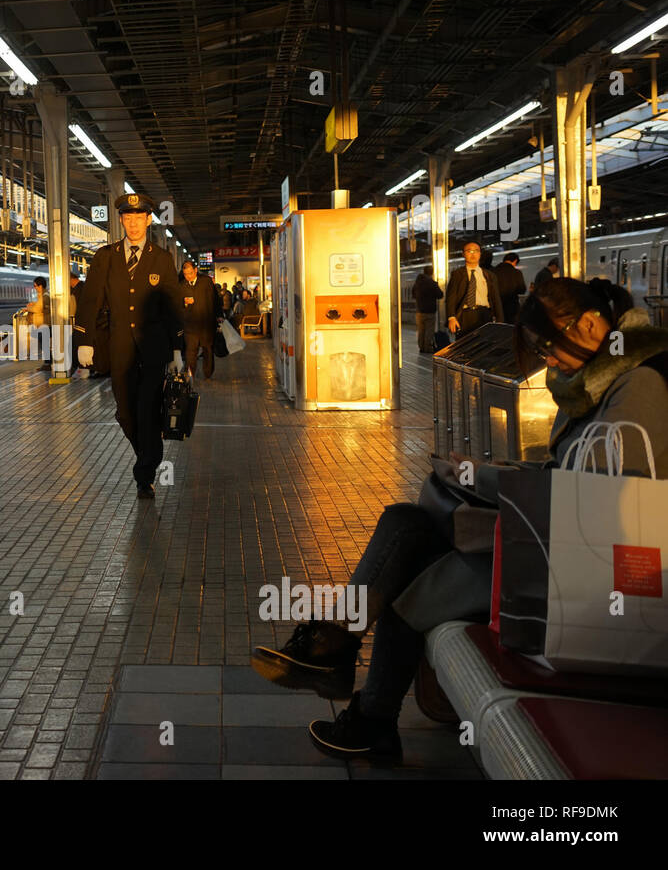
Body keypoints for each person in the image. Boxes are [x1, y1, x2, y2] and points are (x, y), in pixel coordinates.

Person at [250, 277, 668, 763]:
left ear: (593, 325)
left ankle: (343, 667)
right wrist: (480, 475)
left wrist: (487, 483)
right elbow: (566, 480)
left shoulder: (640, 388)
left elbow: (609, 502)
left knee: (410, 576)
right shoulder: (596, 382)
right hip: (561, 546)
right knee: (407, 522)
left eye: (546, 347)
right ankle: (344, 668)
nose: (547, 361)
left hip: (600, 577)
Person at [75, 192, 186, 499]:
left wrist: (178, 349)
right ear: (121, 220)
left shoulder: (161, 259)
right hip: (119, 346)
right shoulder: (105, 257)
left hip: (153, 348)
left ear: (149, 221)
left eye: (139, 218)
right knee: (125, 413)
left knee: (148, 409)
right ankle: (149, 455)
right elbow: (90, 301)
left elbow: (173, 305)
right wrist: (84, 341)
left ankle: (145, 472)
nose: (134, 224)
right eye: (128, 218)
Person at [444, 241, 502, 338]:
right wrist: (451, 317)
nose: (473, 254)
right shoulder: (457, 274)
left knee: (483, 345)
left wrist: (500, 320)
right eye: (469, 251)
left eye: (476, 251)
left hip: (484, 315)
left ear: (480, 254)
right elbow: (451, 297)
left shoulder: (489, 275)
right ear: (463, 254)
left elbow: (496, 299)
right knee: (464, 346)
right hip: (464, 315)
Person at [179, 260, 218, 379]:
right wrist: (184, 302)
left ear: (196, 270)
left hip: (206, 323)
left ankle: (208, 373)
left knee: (208, 349)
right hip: (190, 325)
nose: (188, 276)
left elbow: (215, 299)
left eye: (190, 273)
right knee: (191, 351)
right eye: (185, 274)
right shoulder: (181, 285)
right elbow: (176, 303)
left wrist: (218, 315)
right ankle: (190, 374)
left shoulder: (206, 282)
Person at [412, 265, 442, 353]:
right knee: (429, 330)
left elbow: (413, 294)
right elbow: (440, 294)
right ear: (432, 273)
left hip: (419, 311)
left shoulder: (417, 283)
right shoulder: (432, 283)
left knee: (421, 330)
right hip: (430, 311)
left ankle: (421, 347)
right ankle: (427, 348)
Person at [25, 276, 52, 369]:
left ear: (40, 286)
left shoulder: (45, 296)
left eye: (35, 286)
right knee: (44, 344)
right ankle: (48, 362)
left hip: (45, 324)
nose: (35, 288)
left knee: (44, 344)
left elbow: (39, 308)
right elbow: (40, 306)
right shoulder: (42, 296)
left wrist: (29, 308)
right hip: (42, 324)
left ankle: (48, 363)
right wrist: (34, 304)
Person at [495, 252, 527, 323]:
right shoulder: (516, 272)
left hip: (497, 307)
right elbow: (522, 289)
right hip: (512, 307)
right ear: (515, 261)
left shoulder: (493, 271)